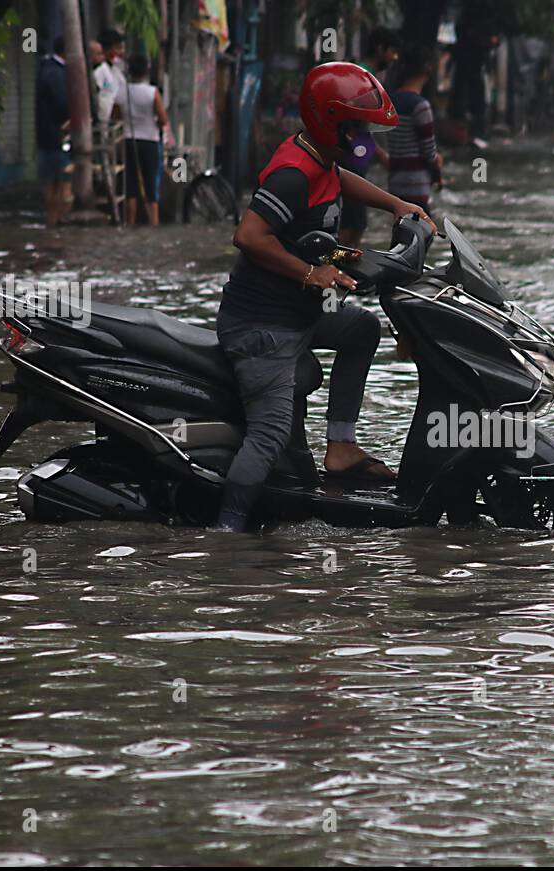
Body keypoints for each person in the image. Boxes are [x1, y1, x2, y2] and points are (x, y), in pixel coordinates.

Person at [212, 62, 436, 533]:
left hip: (298, 315)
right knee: (268, 435)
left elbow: (337, 179)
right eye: (357, 127)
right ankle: (226, 533)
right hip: (263, 327)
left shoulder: (317, 157)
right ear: (331, 121)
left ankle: (340, 447)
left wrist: (396, 205)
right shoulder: (292, 174)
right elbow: (249, 236)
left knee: (361, 328)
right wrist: (311, 272)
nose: (364, 138)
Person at [337, 26, 401, 248]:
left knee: (356, 222)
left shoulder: (366, 76)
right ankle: (338, 268)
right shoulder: (362, 77)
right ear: (380, 49)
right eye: (392, 51)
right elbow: (355, 116)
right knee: (353, 222)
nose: (394, 57)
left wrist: (380, 154)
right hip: (351, 157)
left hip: (358, 156)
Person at [387, 47, 443, 221]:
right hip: (416, 183)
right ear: (428, 70)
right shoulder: (420, 106)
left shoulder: (390, 101)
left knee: (402, 232)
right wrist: (437, 162)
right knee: (424, 233)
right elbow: (428, 151)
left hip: (395, 180)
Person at [114, 53, 168, 226]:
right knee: (151, 181)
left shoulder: (122, 91)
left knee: (131, 184)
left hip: (129, 140)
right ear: (146, 71)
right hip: (150, 141)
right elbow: (163, 119)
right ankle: (154, 222)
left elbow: (115, 116)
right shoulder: (152, 92)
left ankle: (130, 222)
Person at [35, 36, 71, 227]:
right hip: (55, 135)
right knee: (58, 180)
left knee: (57, 180)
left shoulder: (48, 69)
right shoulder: (54, 73)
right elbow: (63, 103)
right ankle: (54, 220)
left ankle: (54, 220)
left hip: (51, 134)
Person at [93, 28, 126, 128]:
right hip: (104, 122)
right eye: (118, 48)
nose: (121, 52)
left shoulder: (117, 68)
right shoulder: (100, 71)